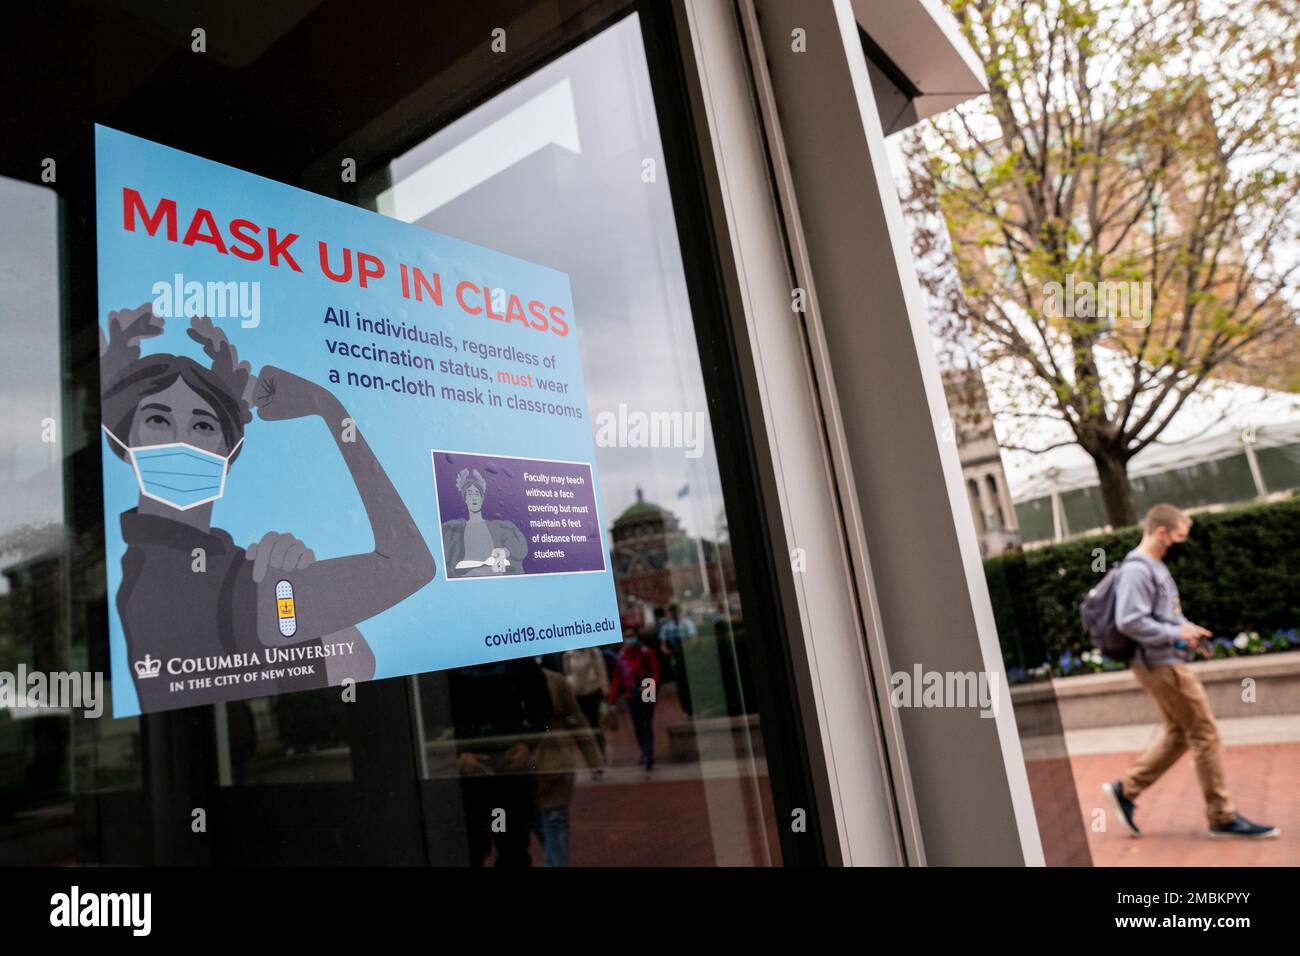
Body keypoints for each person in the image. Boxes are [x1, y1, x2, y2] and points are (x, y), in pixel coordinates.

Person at [100, 306, 435, 712]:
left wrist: (305, 593)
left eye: (203, 425)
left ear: (229, 448)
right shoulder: (188, 579)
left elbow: (355, 665)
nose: (181, 441)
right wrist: (329, 408)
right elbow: (410, 565)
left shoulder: (216, 564)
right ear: (124, 438)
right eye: (158, 419)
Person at [1102, 503, 1278, 840]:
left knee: (1179, 734)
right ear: (1161, 532)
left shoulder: (1154, 567)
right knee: (1205, 733)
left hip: (1165, 658)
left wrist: (1187, 629)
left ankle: (1126, 789)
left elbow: (1164, 614)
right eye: (1176, 538)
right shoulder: (1138, 570)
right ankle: (1222, 816)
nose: (1179, 544)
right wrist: (1175, 634)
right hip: (1159, 663)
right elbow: (1129, 620)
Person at [535, 662, 604, 867]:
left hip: (552, 762)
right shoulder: (554, 680)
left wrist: (594, 760)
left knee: (552, 820)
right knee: (549, 822)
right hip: (546, 762)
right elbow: (577, 721)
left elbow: (577, 720)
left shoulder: (554, 681)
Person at [440, 467, 528, 577]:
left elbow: (521, 546)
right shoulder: (452, 531)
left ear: (482, 498)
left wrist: (504, 552)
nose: (474, 498)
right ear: (465, 499)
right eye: (470, 494)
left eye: (477, 494)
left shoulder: (500, 528)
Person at [607, 627, 660, 771]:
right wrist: (611, 698)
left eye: (632, 636)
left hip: (646, 688)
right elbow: (618, 678)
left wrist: (650, 684)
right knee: (637, 724)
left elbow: (655, 671)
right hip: (631, 693)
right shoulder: (622, 656)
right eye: (627, 637)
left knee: (646, 722)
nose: (630, 639)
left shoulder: (646, 652)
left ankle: (649, 754)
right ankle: (644, 750)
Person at [562, 645, 609, 758]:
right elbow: (568, 675)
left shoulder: (593, 651)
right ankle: (592, 756)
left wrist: (605, 692)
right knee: (583, 728)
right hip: (578, 696)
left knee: (595, 724)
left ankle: (600, 752)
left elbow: (602, 672)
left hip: (593, 693)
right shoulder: (568, 655)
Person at [657, 603, 697, 716]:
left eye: (675, 611)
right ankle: (686, 709)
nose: (674, 614)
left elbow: (693, 639)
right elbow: (663, 645)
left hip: (688, 657)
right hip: (676, 658)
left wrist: (687, 650)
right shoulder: (666, 627)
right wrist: (670, 652)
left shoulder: (687, 624)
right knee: (681, 684)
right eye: (672, 612)